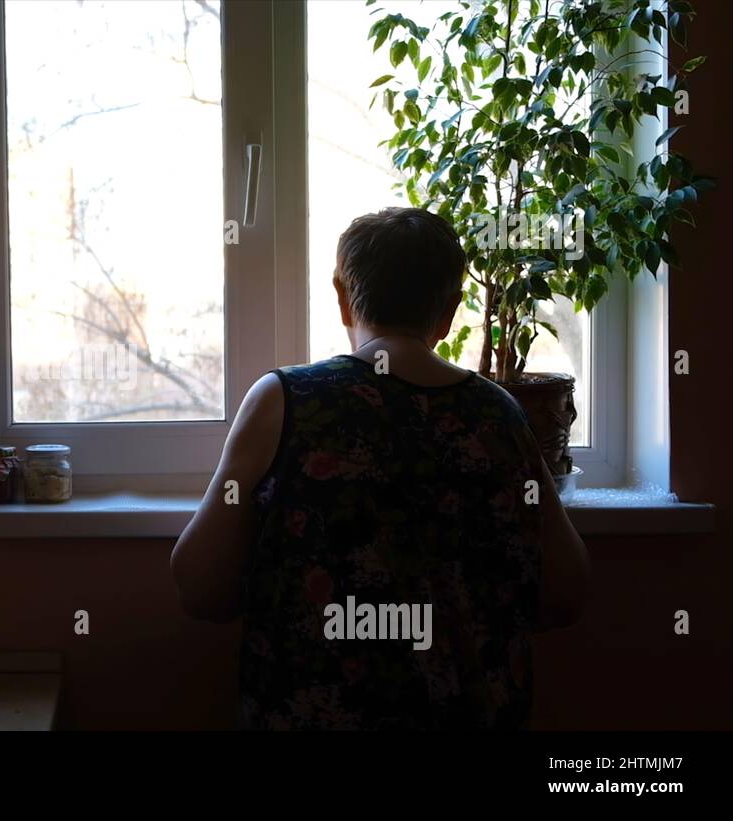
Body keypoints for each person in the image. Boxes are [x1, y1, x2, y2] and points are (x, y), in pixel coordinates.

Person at [170, 207, 590, 730]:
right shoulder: (498, 414)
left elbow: (201, 588)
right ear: (449, 310)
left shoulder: (286, 400)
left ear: (343, 298)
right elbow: (564, 595)